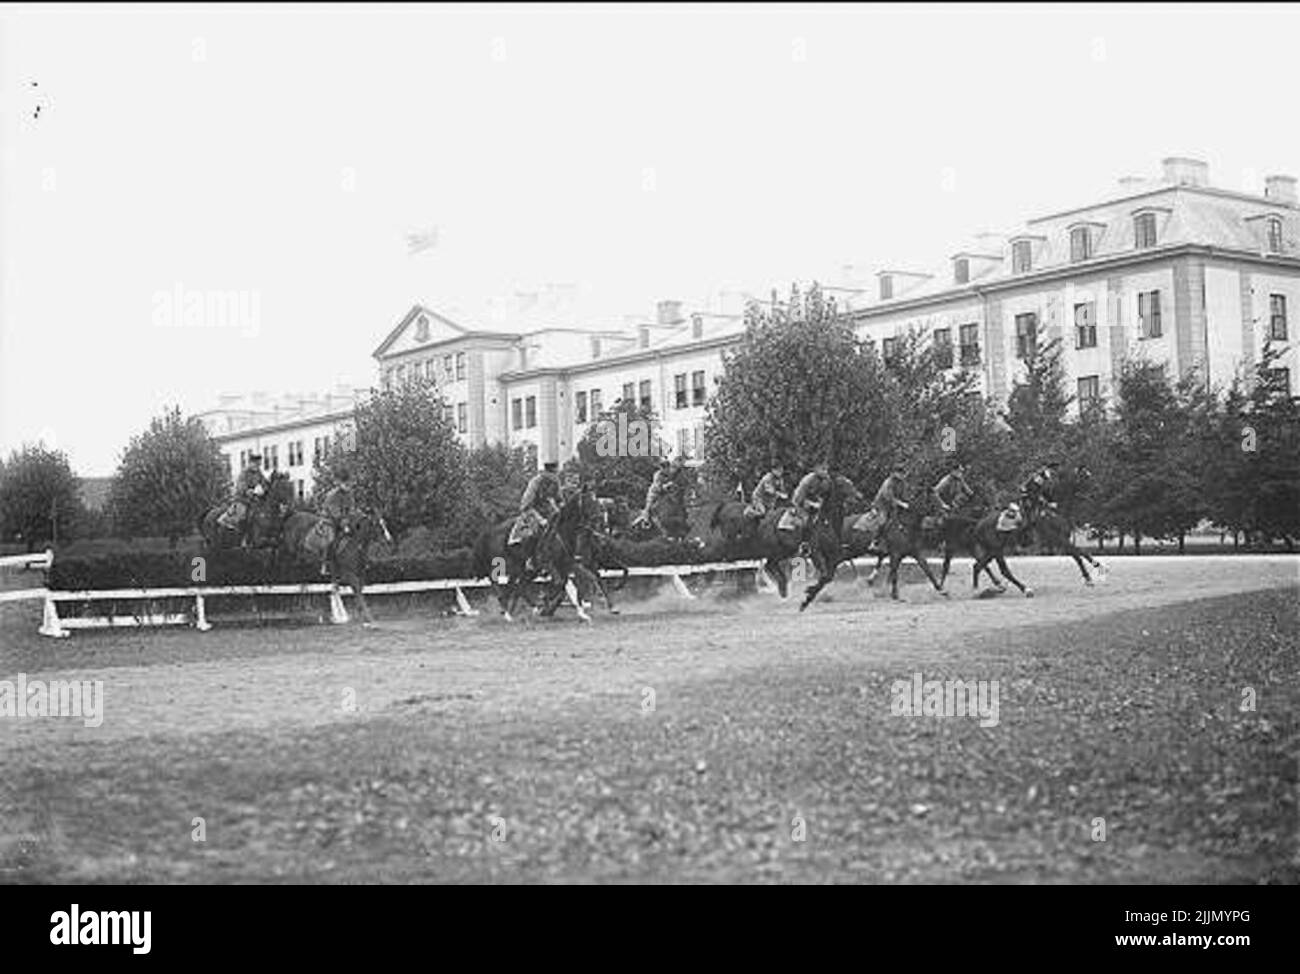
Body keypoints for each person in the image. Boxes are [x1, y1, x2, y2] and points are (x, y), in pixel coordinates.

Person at [510, 460, 563, 571]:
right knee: (533, 532)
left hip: (549, 512)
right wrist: (540, 519)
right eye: (553, 471)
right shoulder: (535, 482)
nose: (554, 474)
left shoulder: (556, 481)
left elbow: (559, 499)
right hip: (532, 511)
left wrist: (563, 509)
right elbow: (526, 504)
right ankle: (530, 560)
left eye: (555, 472)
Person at [317, 466, 359, 576]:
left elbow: (351, 509)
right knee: (331, 539)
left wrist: (353, 518)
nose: (348, 486)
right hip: (329, 520)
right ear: (339, 483)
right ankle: (325, 564)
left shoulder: (349, 495)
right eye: (345, 484)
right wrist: (344, 525)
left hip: (344, 520)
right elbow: (335, 513)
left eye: (349, 483)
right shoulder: (332, 495)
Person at [220, 453, 268, 546]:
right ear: (251, 463)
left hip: (255, 499)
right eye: (256, 463)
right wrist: (247, 491)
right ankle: (241, 537)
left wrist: (264, 489)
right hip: (242, 499)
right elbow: (241, 485)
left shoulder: (259, 473)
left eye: (259, 464)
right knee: (242, 514)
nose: (258, 466)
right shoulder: (244, 473)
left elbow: (264, 483)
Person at [778, 461, 831, 539]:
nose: (825, 472)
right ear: (816, 469)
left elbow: (826, 495)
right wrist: (812, 504)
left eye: (826, 469)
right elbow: (799, 498)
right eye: (823, 469)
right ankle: (804, 542)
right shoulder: (808, 480)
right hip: (801, 502)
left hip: (816, 502)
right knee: (804, 522)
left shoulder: (827, 480)